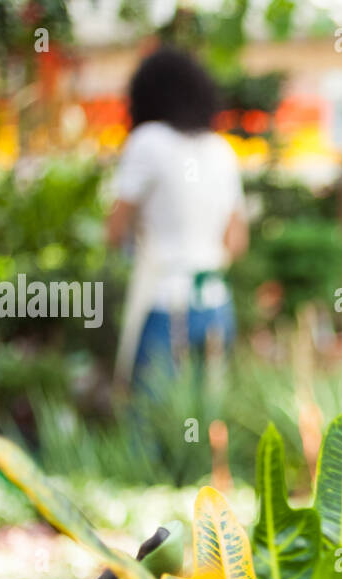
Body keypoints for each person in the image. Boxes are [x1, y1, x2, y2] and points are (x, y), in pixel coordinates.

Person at [106, 46, 249, 393]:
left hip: (163, 304)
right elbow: (236, 242)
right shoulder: (220, 149)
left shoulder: (147, 142)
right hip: (215, 303)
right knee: (206, 423)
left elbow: (113, 231)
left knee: (153, 428)